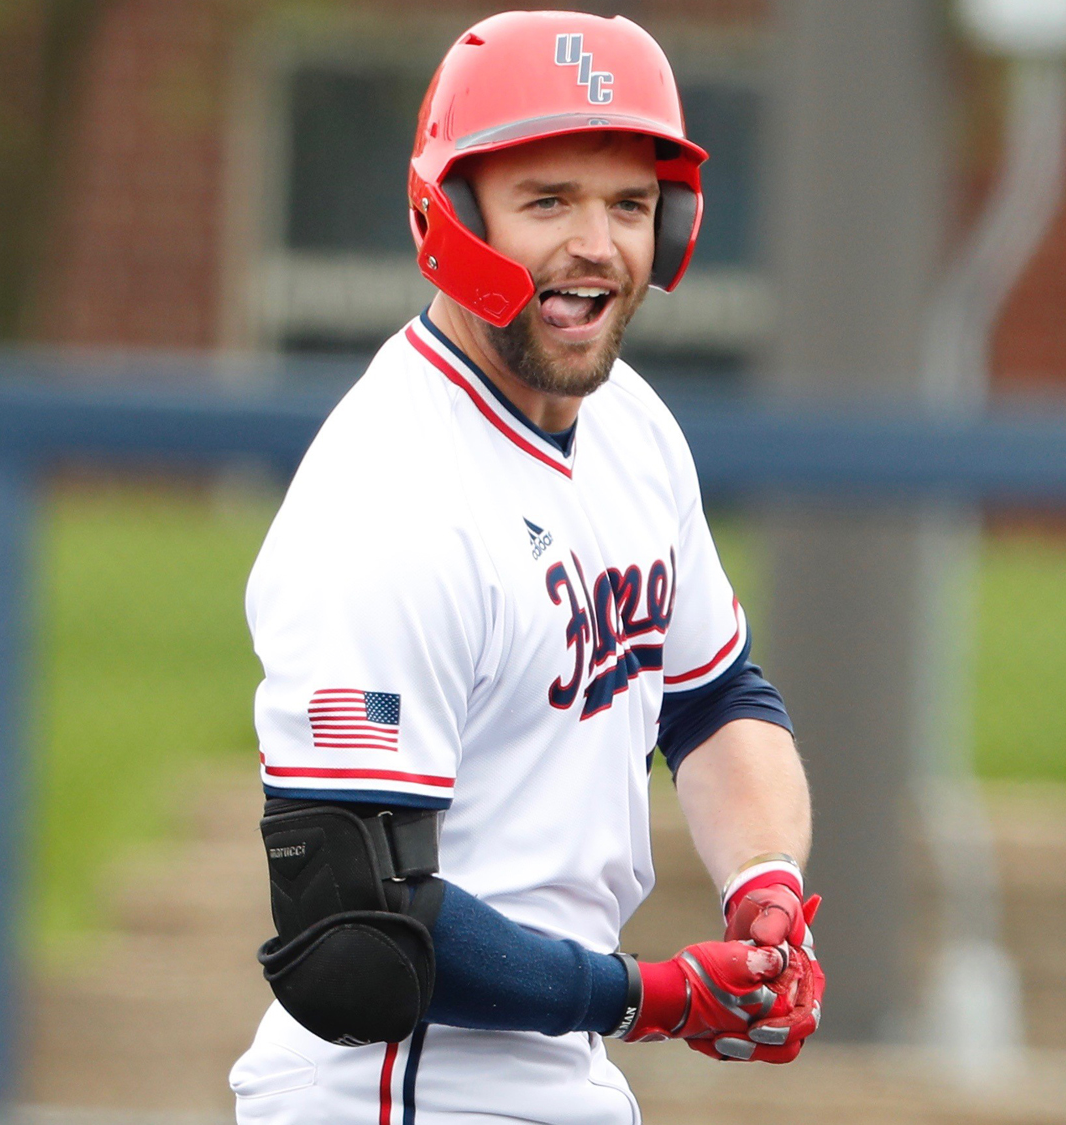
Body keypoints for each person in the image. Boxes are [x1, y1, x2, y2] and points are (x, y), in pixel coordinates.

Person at [231, 12, 823, 1123]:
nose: (594, 244)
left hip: (559, 1073)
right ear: (450, 217)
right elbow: (359, 929)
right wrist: (648, 997)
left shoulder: (632, 428)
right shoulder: (387, 495)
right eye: (547, 201)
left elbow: (713, 697)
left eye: (629, 205)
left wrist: (766, 894)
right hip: (396, 1091)